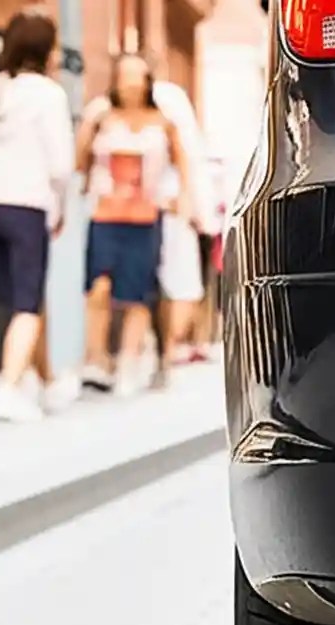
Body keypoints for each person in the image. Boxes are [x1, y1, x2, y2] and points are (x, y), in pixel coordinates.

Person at [0, 10, 79, 422]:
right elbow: (61, 166)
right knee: (27, 304)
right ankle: (9, 389)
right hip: (27, 204)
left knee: (24, 300)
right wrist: (61, 207)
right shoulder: (48, 94)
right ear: (45, 50)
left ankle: (47, 383)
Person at [80, 74, 214, 389]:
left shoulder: (164, 122)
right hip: (106, 214)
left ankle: (130, 360)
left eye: (137, 76)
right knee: (98, 287)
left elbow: (184, 166)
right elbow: (81, 163)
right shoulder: (101, 118)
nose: (129, 83)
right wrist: (87, 129)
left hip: (147, 216)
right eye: (124, 75)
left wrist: (185, 206)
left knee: (138, 292)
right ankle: (96, 360)